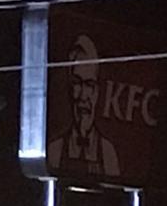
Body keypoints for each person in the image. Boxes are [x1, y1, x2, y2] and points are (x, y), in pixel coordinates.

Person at [47, 36, 120, 177]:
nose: (83, 95)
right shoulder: (55, 150)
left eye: (89, 84)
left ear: (97, 92)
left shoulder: (107, 152)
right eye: (77, 83)